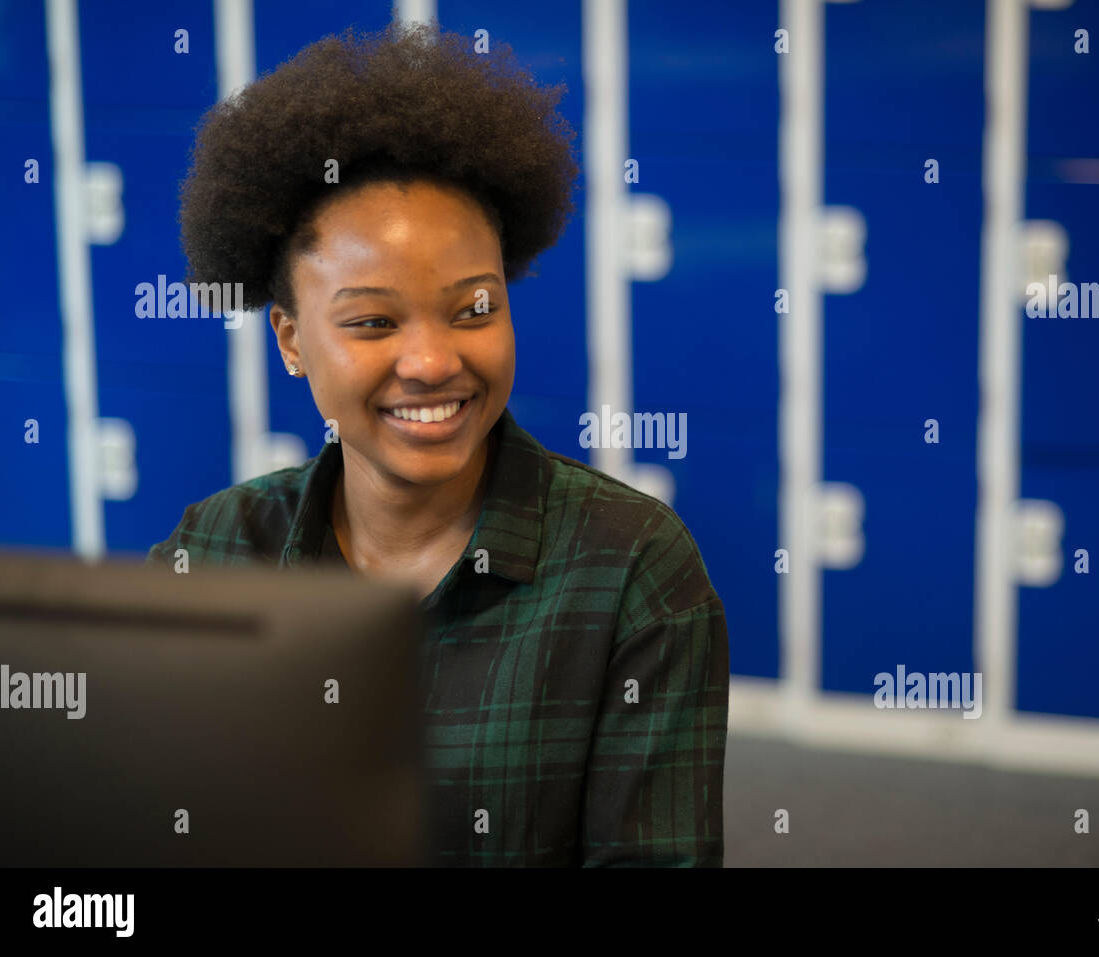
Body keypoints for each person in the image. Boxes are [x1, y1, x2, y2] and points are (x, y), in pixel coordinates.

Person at [145, 21, 729, 866]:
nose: (432, 362)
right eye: (373, 321)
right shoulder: (214, 548)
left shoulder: (634, 571)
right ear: (291, 340)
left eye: (473, 309)